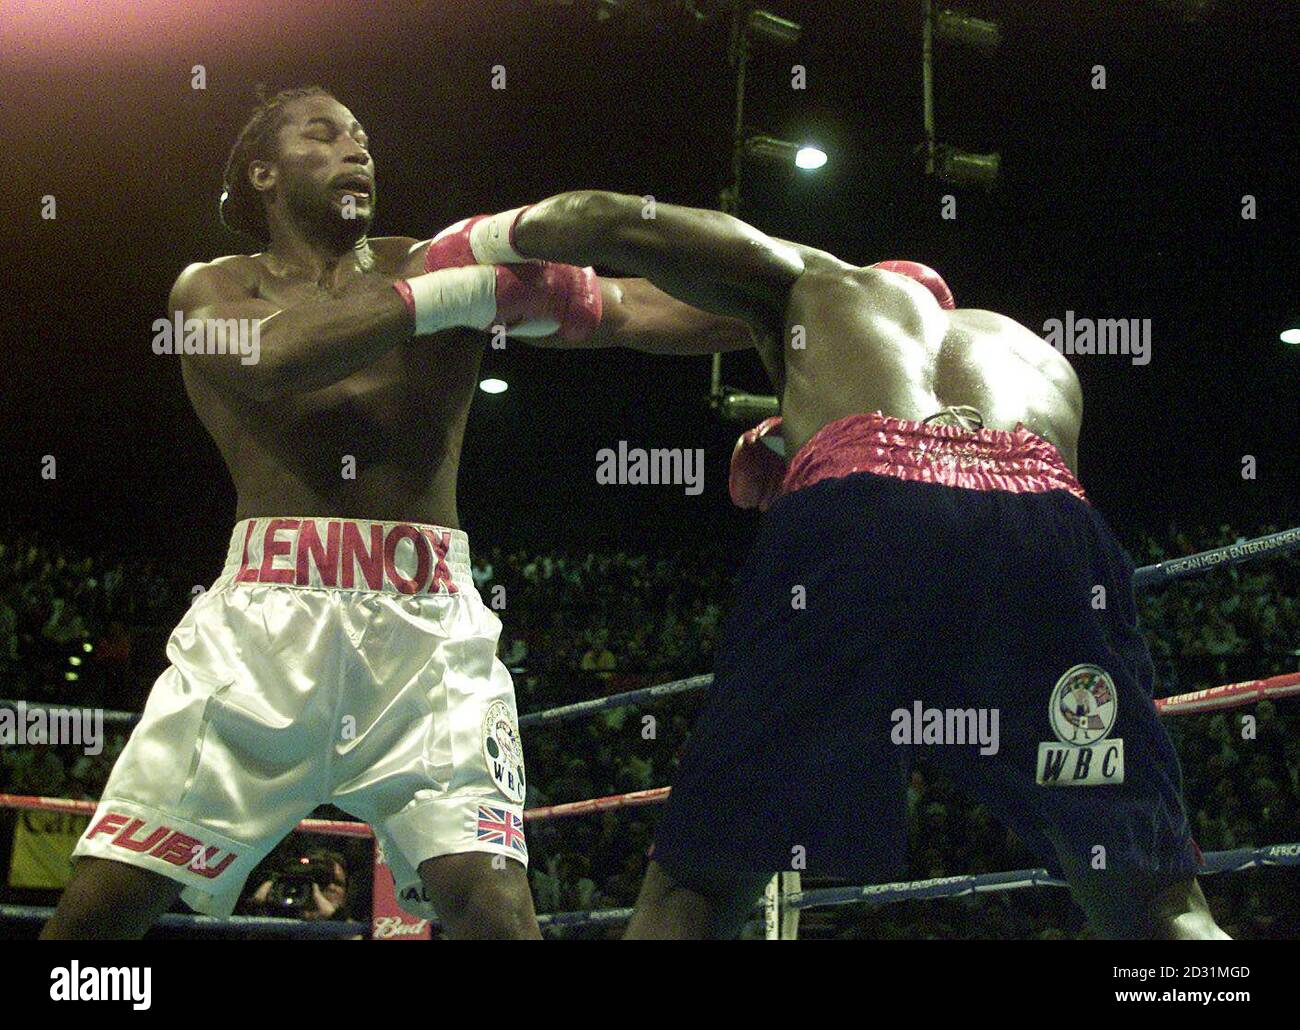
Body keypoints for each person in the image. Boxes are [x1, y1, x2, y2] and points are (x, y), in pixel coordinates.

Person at [42, 90, 757, 940]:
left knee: (492, 905)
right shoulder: (214, 287)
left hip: (428, 637)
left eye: (364, 138)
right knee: (103, 909)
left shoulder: (433, 260)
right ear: (262, 173)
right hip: (261, 636)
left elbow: (638, 309)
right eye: (326, 133)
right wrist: (449, 294)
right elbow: (272, 357)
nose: (357, 149)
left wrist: (816, 304)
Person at [436, 190, 1229, 940]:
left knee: (698, 889)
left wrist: (480, 242)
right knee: (1158, 899)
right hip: (1049, 527)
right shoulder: (1035, 353)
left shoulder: (821, 281)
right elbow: (973, 497)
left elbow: (610, 218)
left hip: (863, 514)